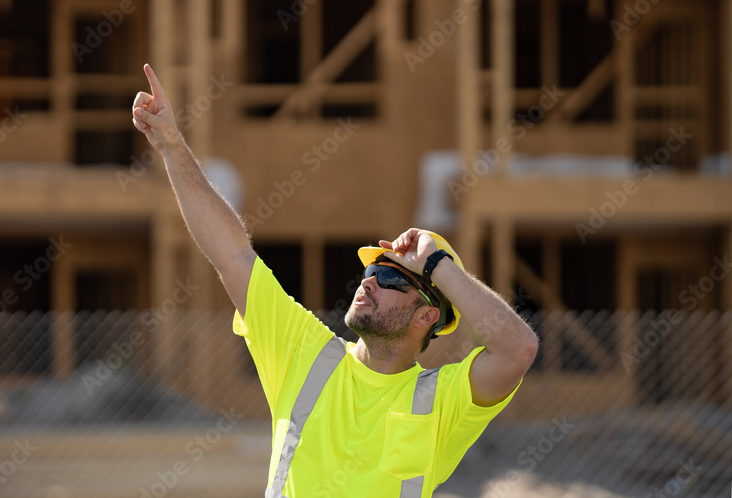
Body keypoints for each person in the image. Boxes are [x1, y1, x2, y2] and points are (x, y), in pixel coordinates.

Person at [132, 63, 539, 497]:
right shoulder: (305, 355)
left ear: (427, 314)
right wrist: (173, 147)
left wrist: (438, 264)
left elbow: (517, 348)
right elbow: (232, 254)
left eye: (389, 277)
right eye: (371, 271)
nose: (369, 282)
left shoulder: (442, 401)